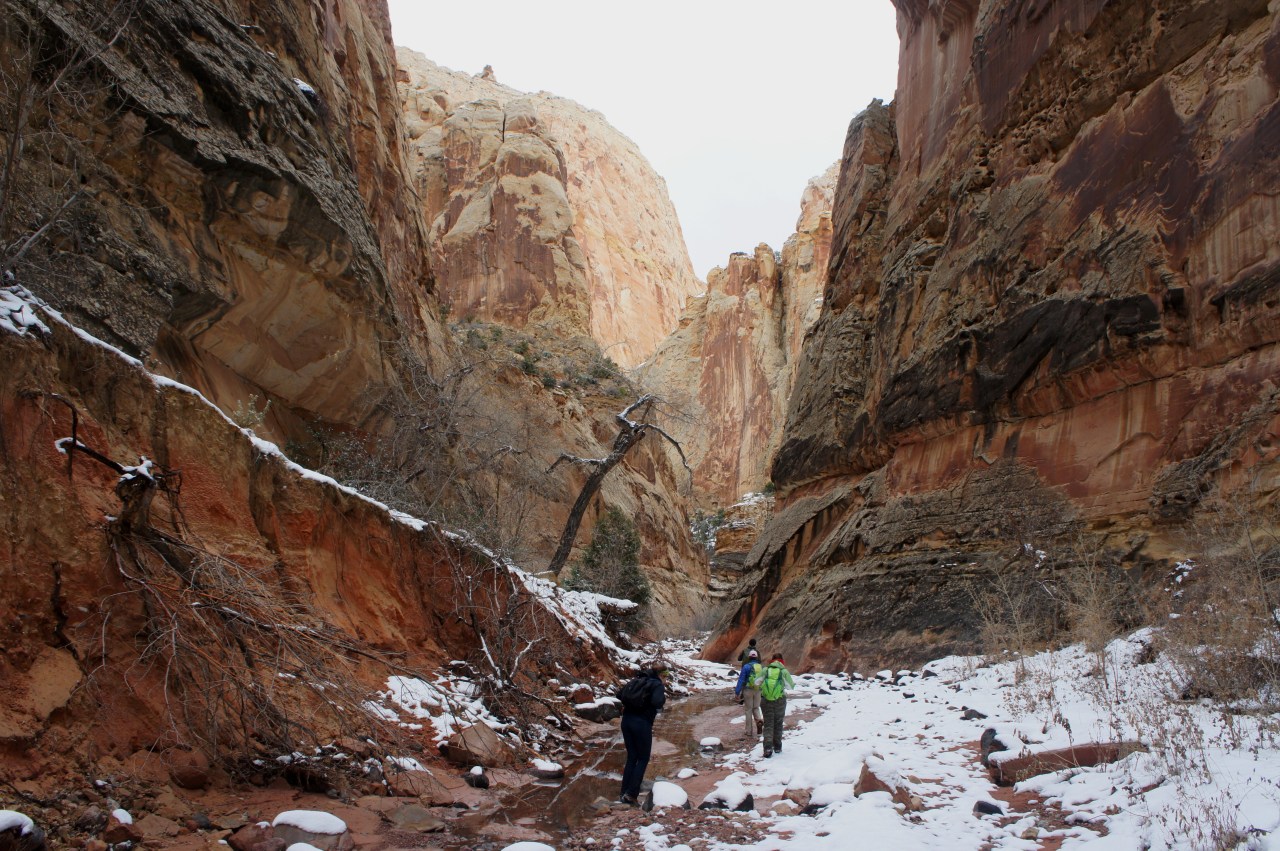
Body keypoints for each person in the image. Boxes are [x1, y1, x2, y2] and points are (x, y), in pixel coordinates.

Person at [618, 660, 668, 804]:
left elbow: (620, 694)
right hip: (642, 723)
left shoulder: (638, 680)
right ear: (661, 674)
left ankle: (624, 792)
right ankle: (631, 794)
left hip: (626, 721)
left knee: (632, 757)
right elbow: (658, 702)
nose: (666, 679)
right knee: (643, 758)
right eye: (666, 676)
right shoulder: (657, 684)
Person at [751, 653, 794, 758]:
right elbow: (790, 687)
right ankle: (778, 746)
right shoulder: (783, 671)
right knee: (778, 723)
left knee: (768, 724)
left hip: (766, 700)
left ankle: (767, 748)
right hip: (780, 700)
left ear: (772, 660)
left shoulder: (766, 670)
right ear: (782, 661)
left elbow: (756, 682)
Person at [734, 649, 763, 740]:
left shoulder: (746, 666)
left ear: (749, 657)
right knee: (756, 708)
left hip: (748, 690)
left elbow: (741, 679)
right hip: (758, 690)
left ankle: (749, 731)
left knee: (748, 710)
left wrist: (737, 692)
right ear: (757, 657)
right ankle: (759, 722)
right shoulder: (761, 667)